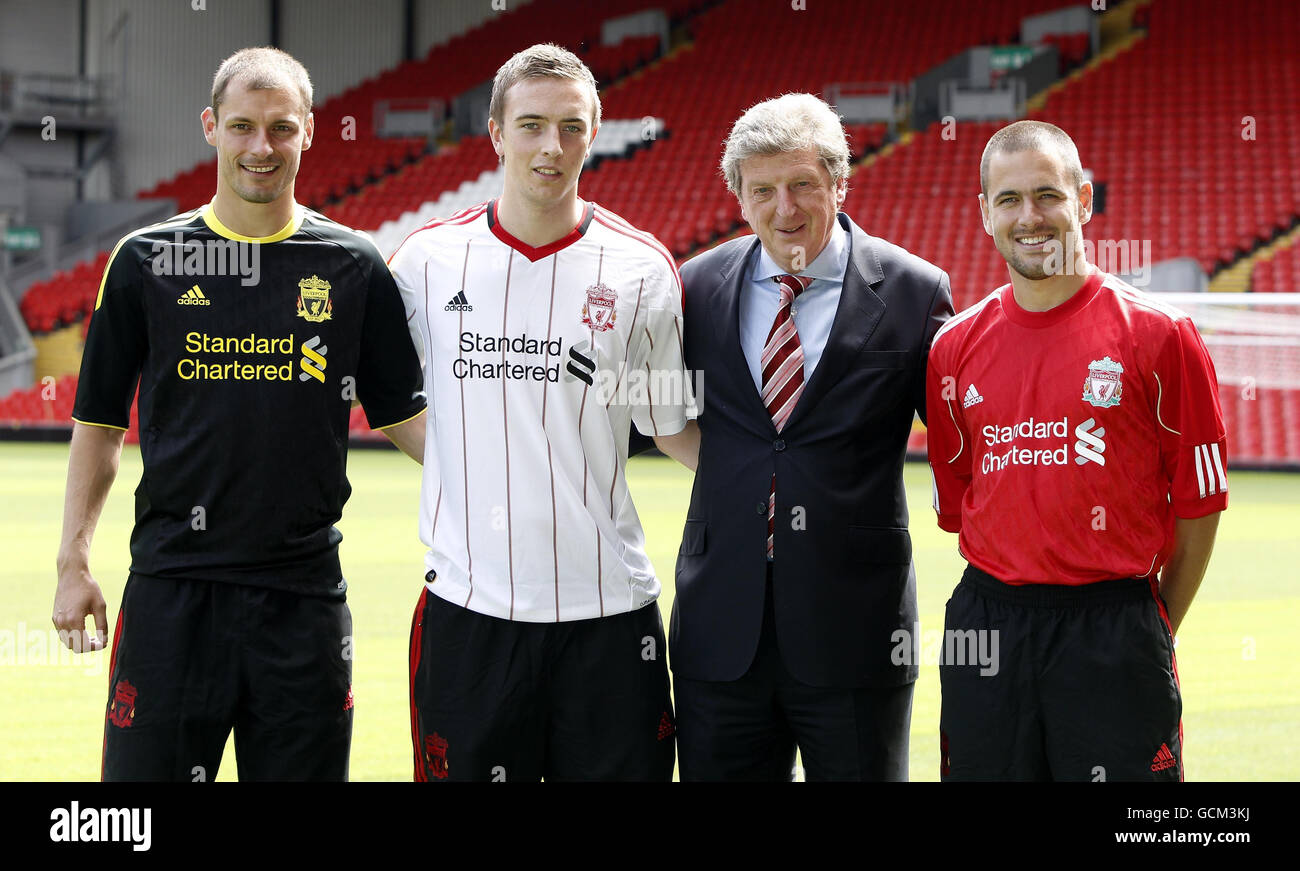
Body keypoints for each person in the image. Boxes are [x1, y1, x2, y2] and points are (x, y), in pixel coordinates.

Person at [52, 47, 427, 781]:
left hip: (304, 602)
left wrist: (523, 479)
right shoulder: (145, 260)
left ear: (310, 132)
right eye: (244, 126)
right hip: (170, 596)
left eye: (282, 129)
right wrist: (73, 564)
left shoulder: (353, 266)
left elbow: (409, 422)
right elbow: (98, 425)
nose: (263, 147)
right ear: (211, 127)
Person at [388, 43, 698, 782]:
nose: (550, 147)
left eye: (570, 126)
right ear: (495, 132)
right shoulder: (425, 261)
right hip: (469, 614)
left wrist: (785, 486)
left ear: (594, 132)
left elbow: (668, 424)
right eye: (530, 125)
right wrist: (468, 463)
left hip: (610, 613)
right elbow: (388, 403)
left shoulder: (640, 268)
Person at [926, 120, 1226, 781]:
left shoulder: (1161, 335)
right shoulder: (954, 348)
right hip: (989, 624)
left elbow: (1200, 504)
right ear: (984, 214)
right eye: (1008, 200)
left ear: (1084, 200)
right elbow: (964, 501)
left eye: (1047, 195)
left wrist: (1151, 621)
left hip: (1115, 624)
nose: (1029, 217)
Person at [671, 93, 954, 781]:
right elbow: (664, 419)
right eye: (762, 190)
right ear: (739, 196)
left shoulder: (916, 292)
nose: (785, 208)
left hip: (856, 633)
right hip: (720, 633)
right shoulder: (695, 286)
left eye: (802, 184)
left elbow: (962, 441)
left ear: (839, 182)